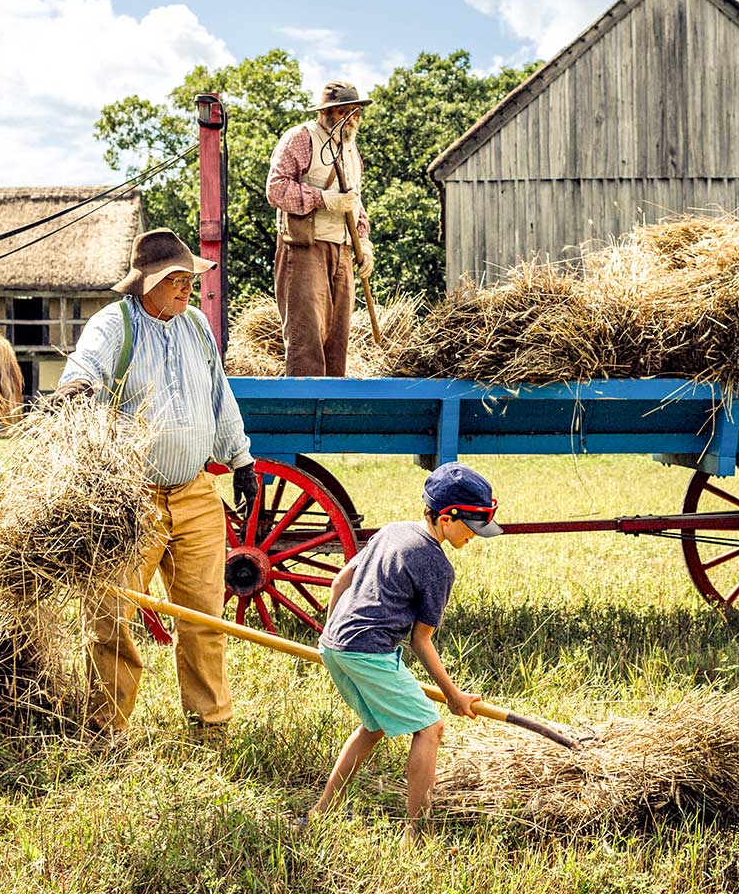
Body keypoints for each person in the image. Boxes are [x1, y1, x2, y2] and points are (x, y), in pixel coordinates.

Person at [57, 228, 258, 737]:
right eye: (176, 278)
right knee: (111, 620)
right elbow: (83, 370)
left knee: (204, 618)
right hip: (131, 500)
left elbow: (220, 395)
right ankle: (106, 729)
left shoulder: (195, 327)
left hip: (193, 491)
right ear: (146, 283)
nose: (188, 286)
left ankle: (210, 723)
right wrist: (79, 388)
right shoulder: (114, 326)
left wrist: (242, 460)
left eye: (190, 278)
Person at [304, 462, 497, 841]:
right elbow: (420, 641)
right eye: (471, 528)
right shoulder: (438, 567)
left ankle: (320, 811)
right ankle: (417, 834)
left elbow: (340, 580)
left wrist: (331, 633)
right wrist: (454, 696)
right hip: (367, 651)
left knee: (373, 727)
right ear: (446, 517)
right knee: (430, 727)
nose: (474, 537)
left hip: (336, 646)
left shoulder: (392, 530)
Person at [265, 80, 377, 377]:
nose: (352, 118)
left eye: (356, 113)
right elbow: (275, 190)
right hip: (306, 250)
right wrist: (323, 199)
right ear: (327, 113)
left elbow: (355, 203)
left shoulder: (352, 152)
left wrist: (364, 244)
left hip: (342, 252)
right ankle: (303, 418)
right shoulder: (301, 138)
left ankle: (331, 417)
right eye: (344, 112)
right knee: (307, 340)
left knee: (337, 341)